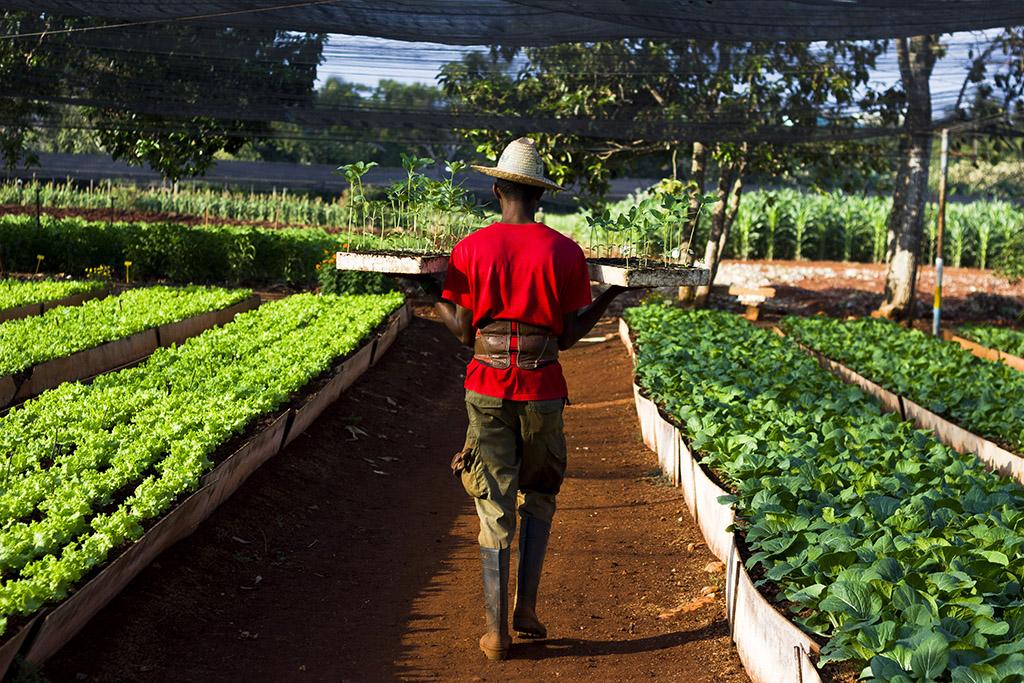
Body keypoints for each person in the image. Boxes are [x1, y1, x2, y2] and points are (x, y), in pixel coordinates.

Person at [415, 137, 628, 661]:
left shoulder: (470, 249)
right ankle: (526, 609)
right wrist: (612, 294)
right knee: (541, 492)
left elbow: (464, 331)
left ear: (495, 190)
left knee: (493, 502)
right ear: (540, 197)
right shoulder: (564, 251)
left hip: (486, 386)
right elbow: (571, 334)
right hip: (543, 389)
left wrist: (426, 293)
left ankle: (497, 634)